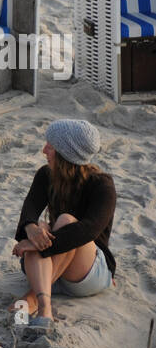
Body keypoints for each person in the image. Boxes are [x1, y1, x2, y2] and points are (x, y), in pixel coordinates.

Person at [12, 120, 116, 331]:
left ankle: (40, 306)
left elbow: (88, 230)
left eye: (50, 146)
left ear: (65, 154)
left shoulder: (102, 186)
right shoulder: (45, 175)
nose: (44, 150)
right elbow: (29, 209)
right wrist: (32, 229)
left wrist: (37, 244)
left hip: (88, 273)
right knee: (40, 227)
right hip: (50, 267)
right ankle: (42, 306)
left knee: (66, 221)